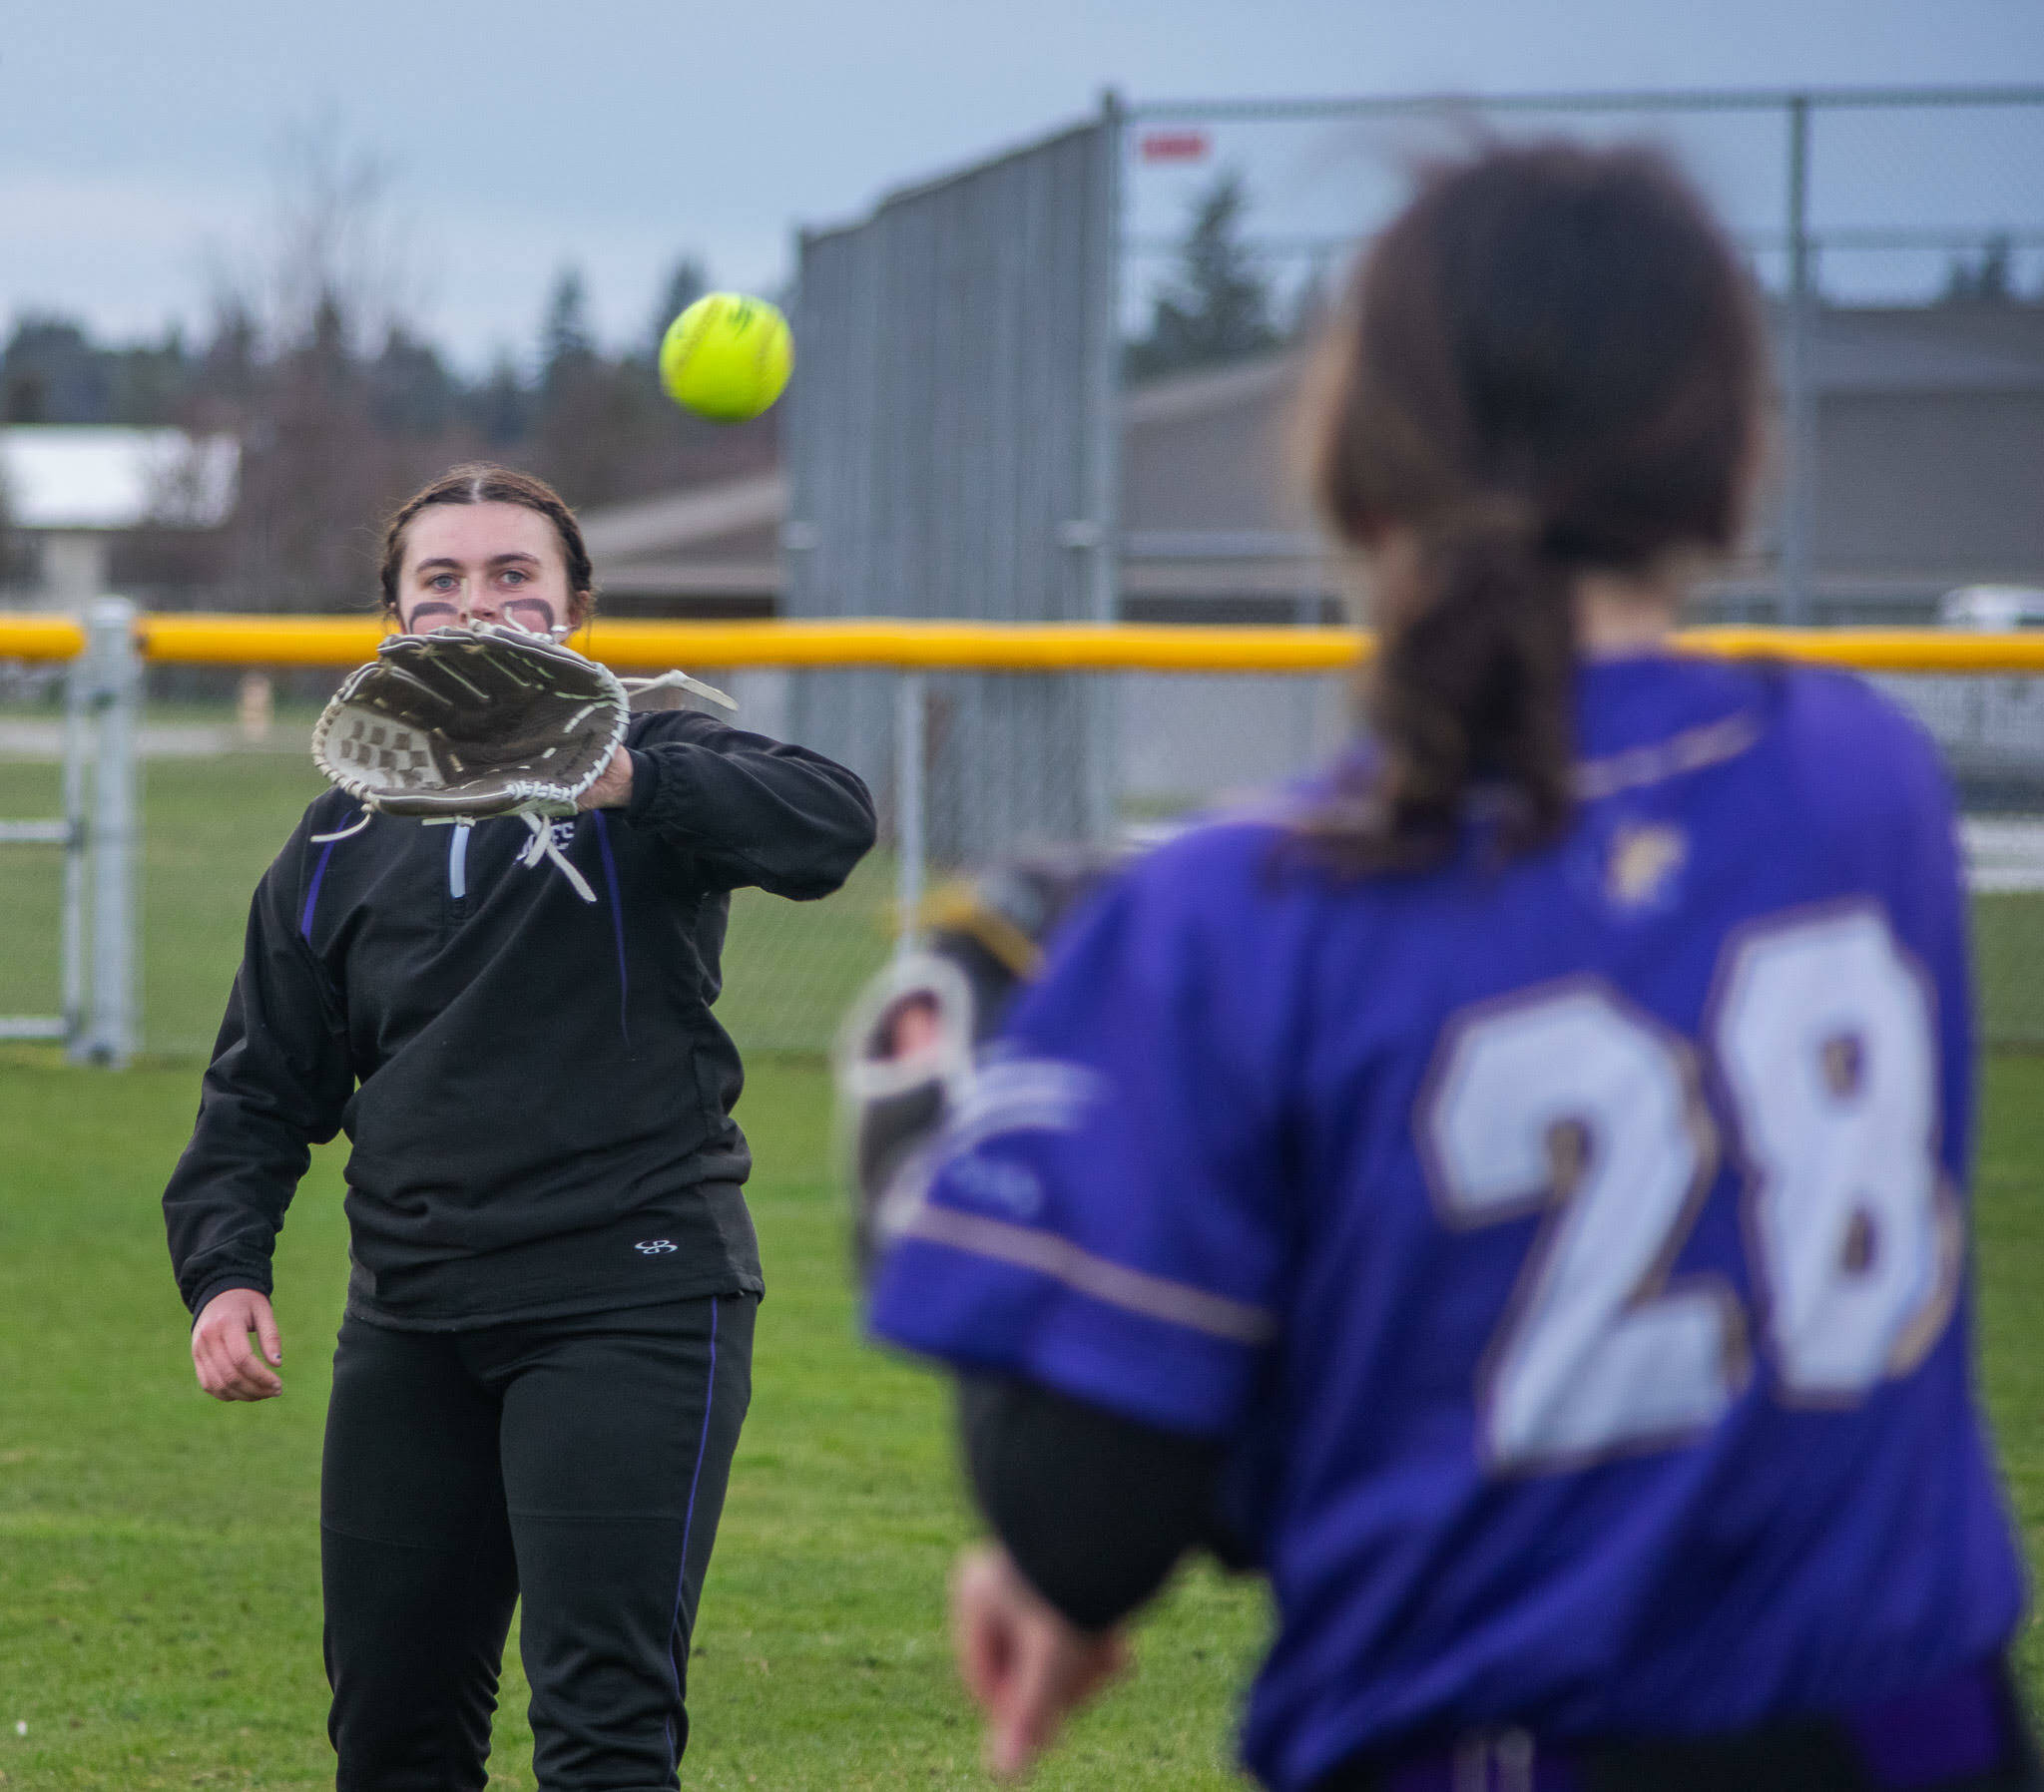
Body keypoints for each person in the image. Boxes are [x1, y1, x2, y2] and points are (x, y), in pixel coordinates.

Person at [863, 144, 2038, 1790]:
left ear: (1356, 467)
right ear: (1735, 455)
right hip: (1928, 1730)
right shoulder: (1865, 782)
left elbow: (1093, 1506)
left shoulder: (1234, 918)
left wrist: (947, 1157)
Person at [163, 464, 877, 1791]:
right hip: (411, 1320)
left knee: (603, 1737)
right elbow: (262, 1087)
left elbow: (831, 826)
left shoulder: (658, 759)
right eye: (439, 582)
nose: (476, 606)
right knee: (393, 1737)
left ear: (573, 615)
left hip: (631, 1303)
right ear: (391, 623)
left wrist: (622, 781)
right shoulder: (335, 839)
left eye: (513, 580)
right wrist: (226, 1267)